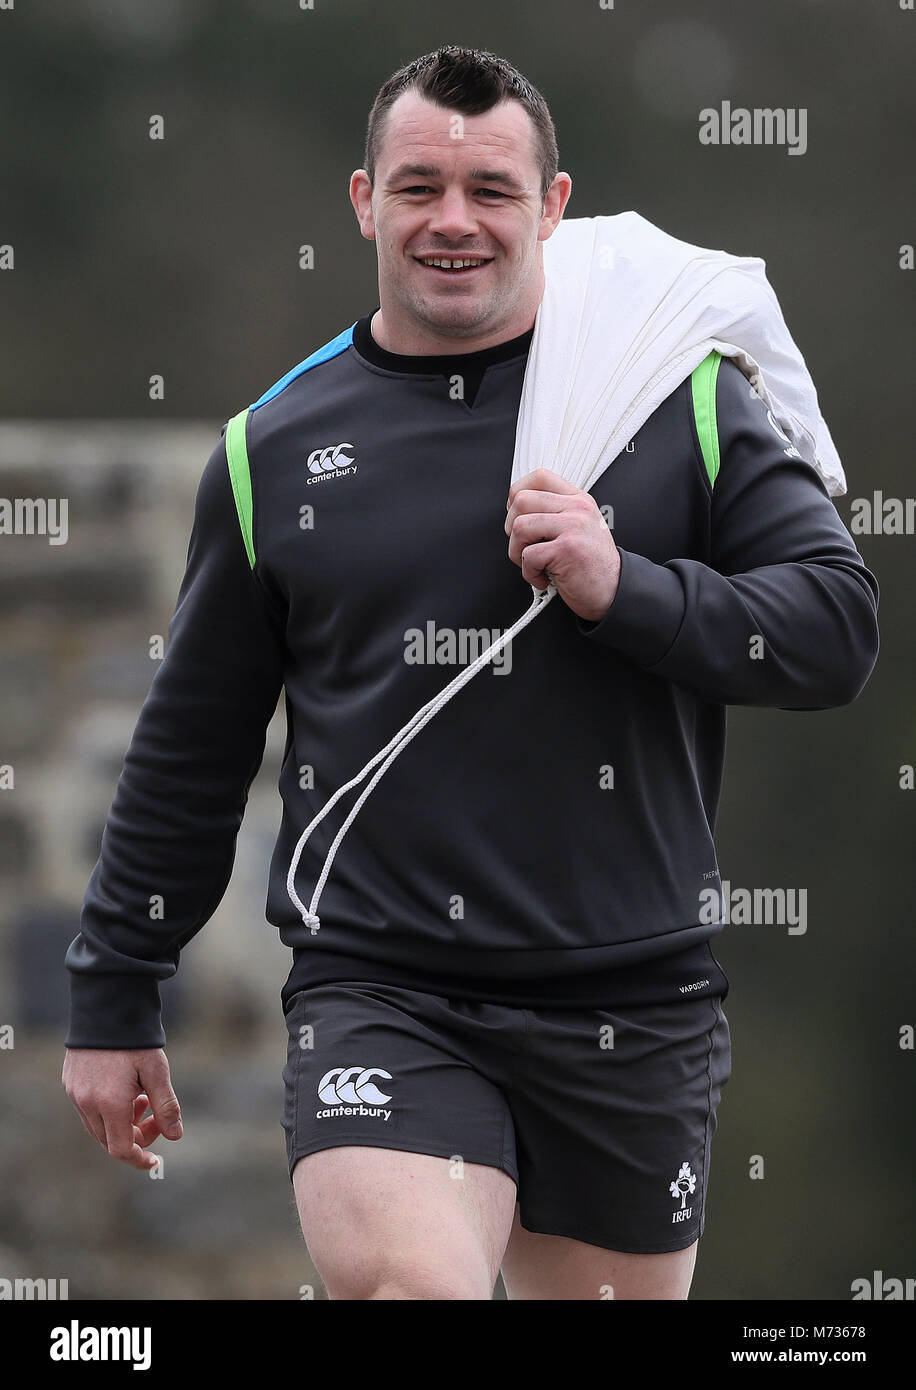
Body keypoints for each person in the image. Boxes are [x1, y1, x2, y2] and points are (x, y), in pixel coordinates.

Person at [61, 45, 880, 1300]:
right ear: (361, 202)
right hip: (384, 986)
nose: (453, 221)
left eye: (491, 190)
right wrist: (116, 992)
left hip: (631, 994)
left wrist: (629, 588)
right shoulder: (270, 448)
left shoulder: (683, 399)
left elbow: (831, 633)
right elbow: (195, 745)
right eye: (418, 186)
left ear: (552, 206)